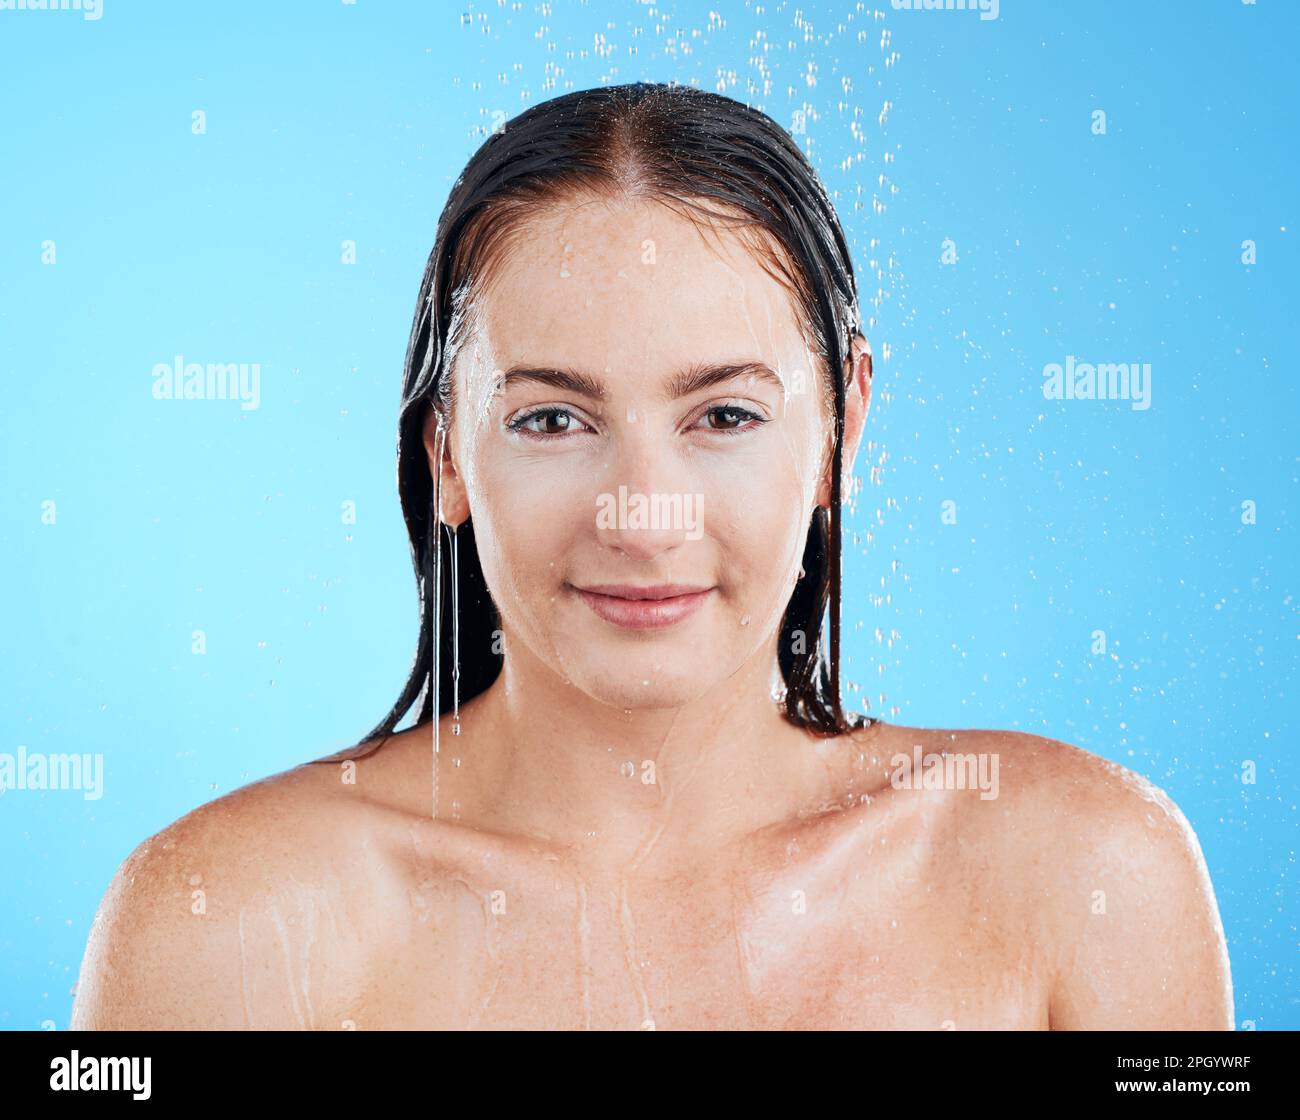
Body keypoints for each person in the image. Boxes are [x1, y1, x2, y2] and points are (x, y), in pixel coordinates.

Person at [71, 83, 1232, 1030]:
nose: (638, 514)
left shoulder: (1084, 875)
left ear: (843, 427)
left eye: (723, 415)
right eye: (551, 419)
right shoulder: (219, 923)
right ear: (447, 454)